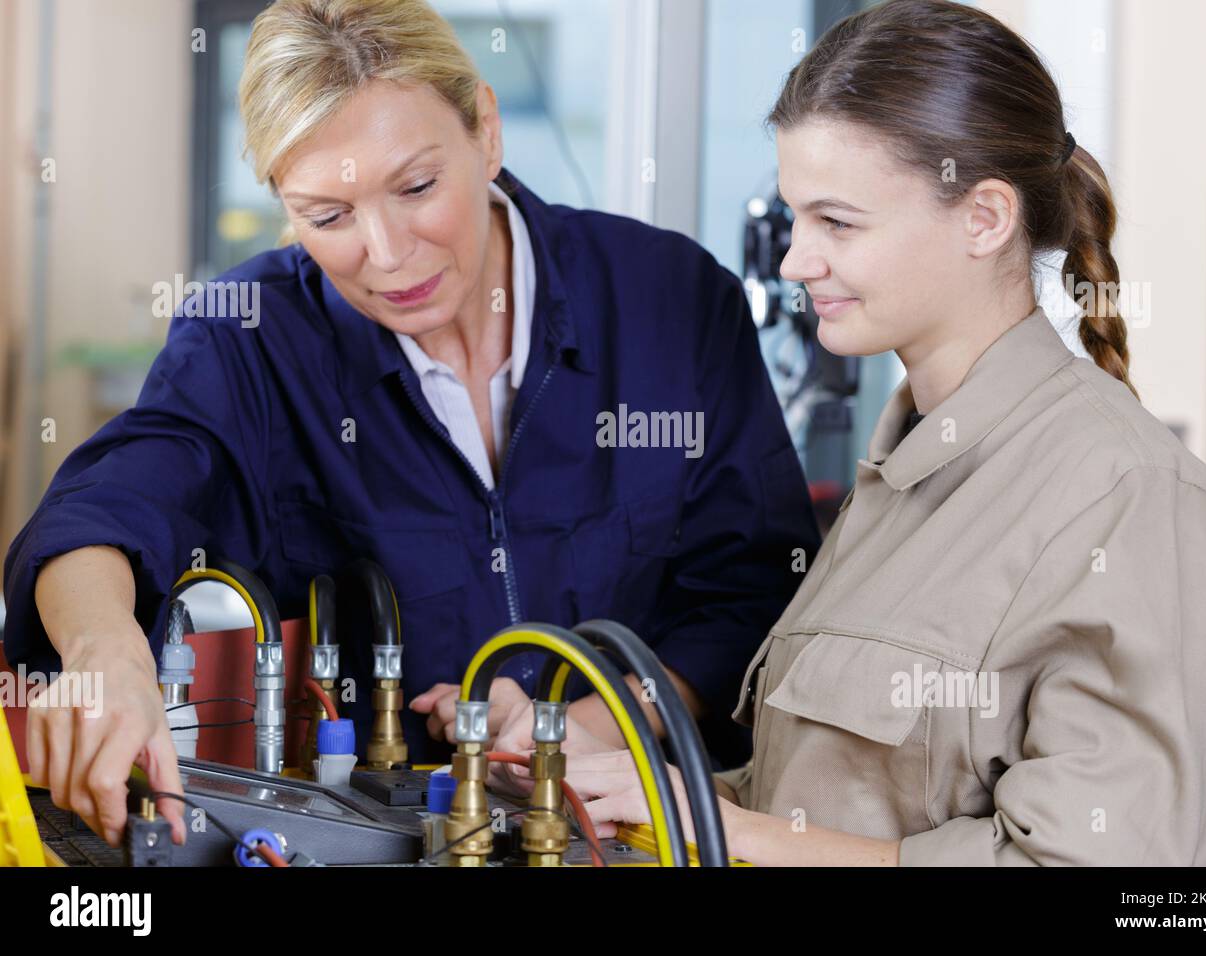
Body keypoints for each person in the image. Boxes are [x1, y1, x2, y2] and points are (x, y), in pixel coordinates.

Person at [1, 0, 818, 848]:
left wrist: (590, 723)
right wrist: (106, 651)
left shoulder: (669, 300)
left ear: (487, 132)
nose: (387, 254)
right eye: (328, 217)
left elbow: (755, 595)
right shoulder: (249, 337)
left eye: (418, 187)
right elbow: (107, 504)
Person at [541, 0, 1206, 866]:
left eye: (837, 222)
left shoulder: (1139, 504)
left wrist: (730, 829)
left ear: (985, 218)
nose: (793, 261)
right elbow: (819, 806)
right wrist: (644, 795)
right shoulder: (899, 480)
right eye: (794, 215)